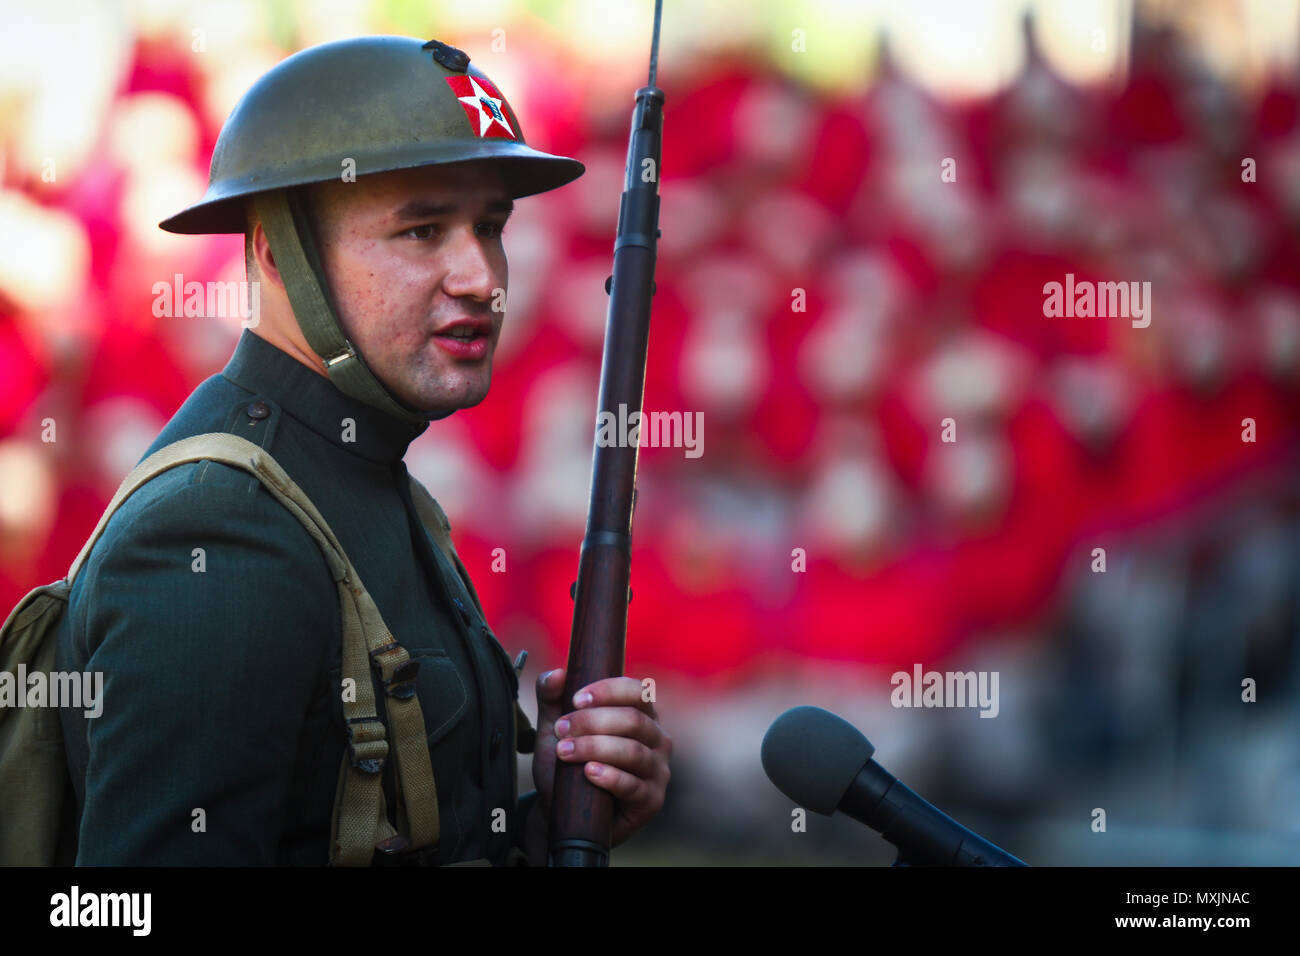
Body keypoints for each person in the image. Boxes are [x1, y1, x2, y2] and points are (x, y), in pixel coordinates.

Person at [53, 35, 671, 866]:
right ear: (278, 255)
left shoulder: (363, 473)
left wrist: (543, 823)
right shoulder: (217, 529)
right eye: (421, 231)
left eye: (490, 226)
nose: (479, 275)